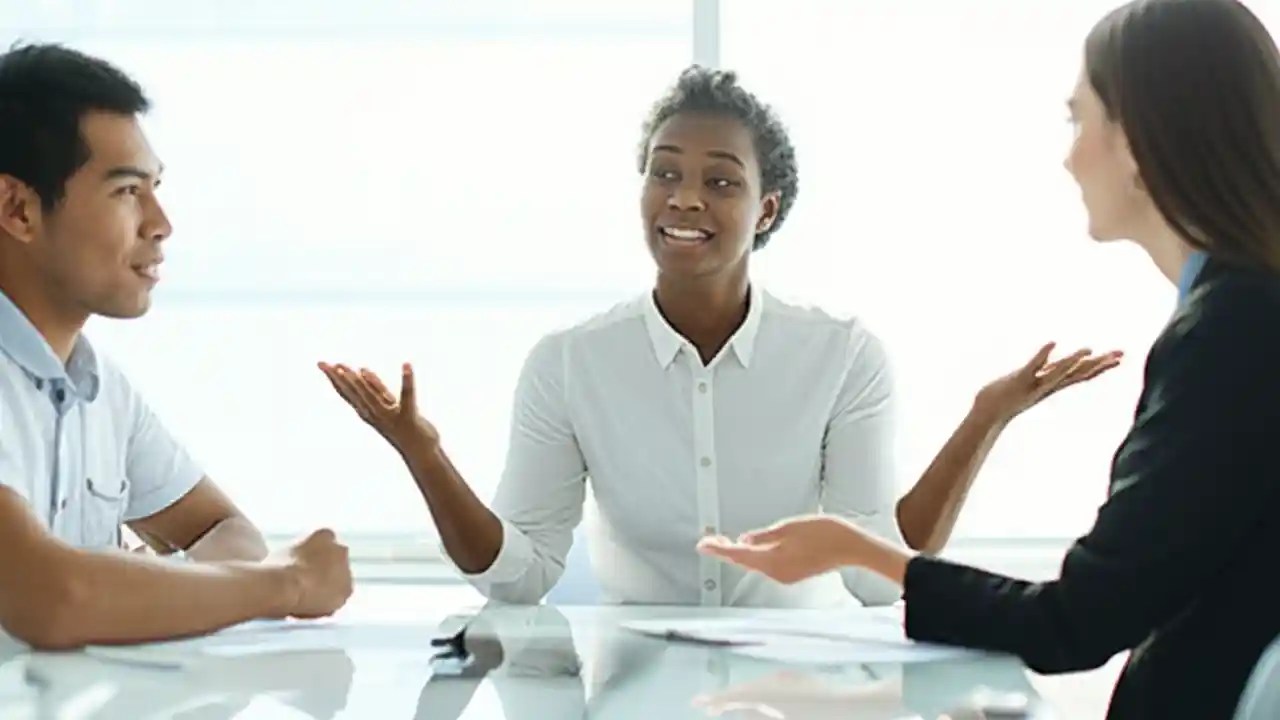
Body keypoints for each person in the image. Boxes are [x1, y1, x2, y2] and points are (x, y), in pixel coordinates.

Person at [320, 67, 1118, 608]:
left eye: (721, 180)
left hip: (794, 690)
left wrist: (984, 419)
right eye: (664, 172)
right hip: (629, 688)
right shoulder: (568, 363)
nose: (685, 199)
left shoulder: (842, 356)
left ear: (766, 209)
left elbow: (878, 580)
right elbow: (518, 577)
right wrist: (422, 452)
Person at [697, 1, 1280, 717]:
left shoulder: (1229, 335)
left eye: (1078, 120)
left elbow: (1075, 623)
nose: (1068, 157)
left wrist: (866, 554)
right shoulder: (1245, 317)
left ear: (1135, 140)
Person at [0, 43, 353, 649]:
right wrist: (289, 583)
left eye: (155, 187)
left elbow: (229, 532)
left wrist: (135, 589)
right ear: (18, 209)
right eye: (126, 191)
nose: (161, 223)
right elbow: (55, 600)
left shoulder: (101, 388)